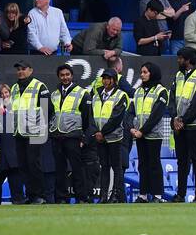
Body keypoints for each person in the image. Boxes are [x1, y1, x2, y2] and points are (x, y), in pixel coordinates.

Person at [8, 60, 49, 204]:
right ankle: (31, 195)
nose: (20, 71)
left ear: (30, 70)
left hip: (35, 133)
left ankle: (40, 195)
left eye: (23, 69)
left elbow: (48, 109)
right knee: (23, 165)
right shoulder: (14, 88)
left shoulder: (39, 86)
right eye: (18, 69)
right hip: (19, 132)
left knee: (34, 164)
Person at [171, 47, 196, 201]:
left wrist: (183, 120)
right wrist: (175, 118)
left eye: (181, 58)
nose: (178, 60)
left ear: (188, 60)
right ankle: (181, 194)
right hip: (179, 125)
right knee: (181, 161)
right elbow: (172, 98)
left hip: (194, 125)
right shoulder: (178, 75)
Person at [48, 63, 90, 204]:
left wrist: (84, 137)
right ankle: (61, 198)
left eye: (67, 74)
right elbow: (50, 115)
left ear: (72, 75)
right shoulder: (54, 94)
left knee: (77, 168)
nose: (65, 77)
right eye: (62, 75)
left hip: (73, 136)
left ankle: (81, 198)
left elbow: (87, 117)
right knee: (59, 169)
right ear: (58, 77)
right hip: (56, 136)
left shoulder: (82, 92)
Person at [88, 68, 128, 203]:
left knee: (116, 167)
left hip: (114, 137)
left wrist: (102, 132)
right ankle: (103, 196)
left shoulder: (121, 95)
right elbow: (91, 116)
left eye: (108, 78)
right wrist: (96, 132)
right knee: (104, 166)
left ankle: (115, 195)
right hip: (100, 137)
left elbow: (116, 117)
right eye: (104, 78)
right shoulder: (96, 95)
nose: (105, 81)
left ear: (114, 80)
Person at [129, 61, 168, 203]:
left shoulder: (161, 91)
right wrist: (131, 128)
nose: (142, 75)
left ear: (153, 73)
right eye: (141, 72)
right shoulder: (138, 91)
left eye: (145, 72)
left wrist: (142, 131)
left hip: (153, 135)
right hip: (139, 134)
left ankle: (157, 195)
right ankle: (143, 194)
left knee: (154, 164)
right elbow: (131, 112)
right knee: (142, 164)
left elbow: (156, 115)